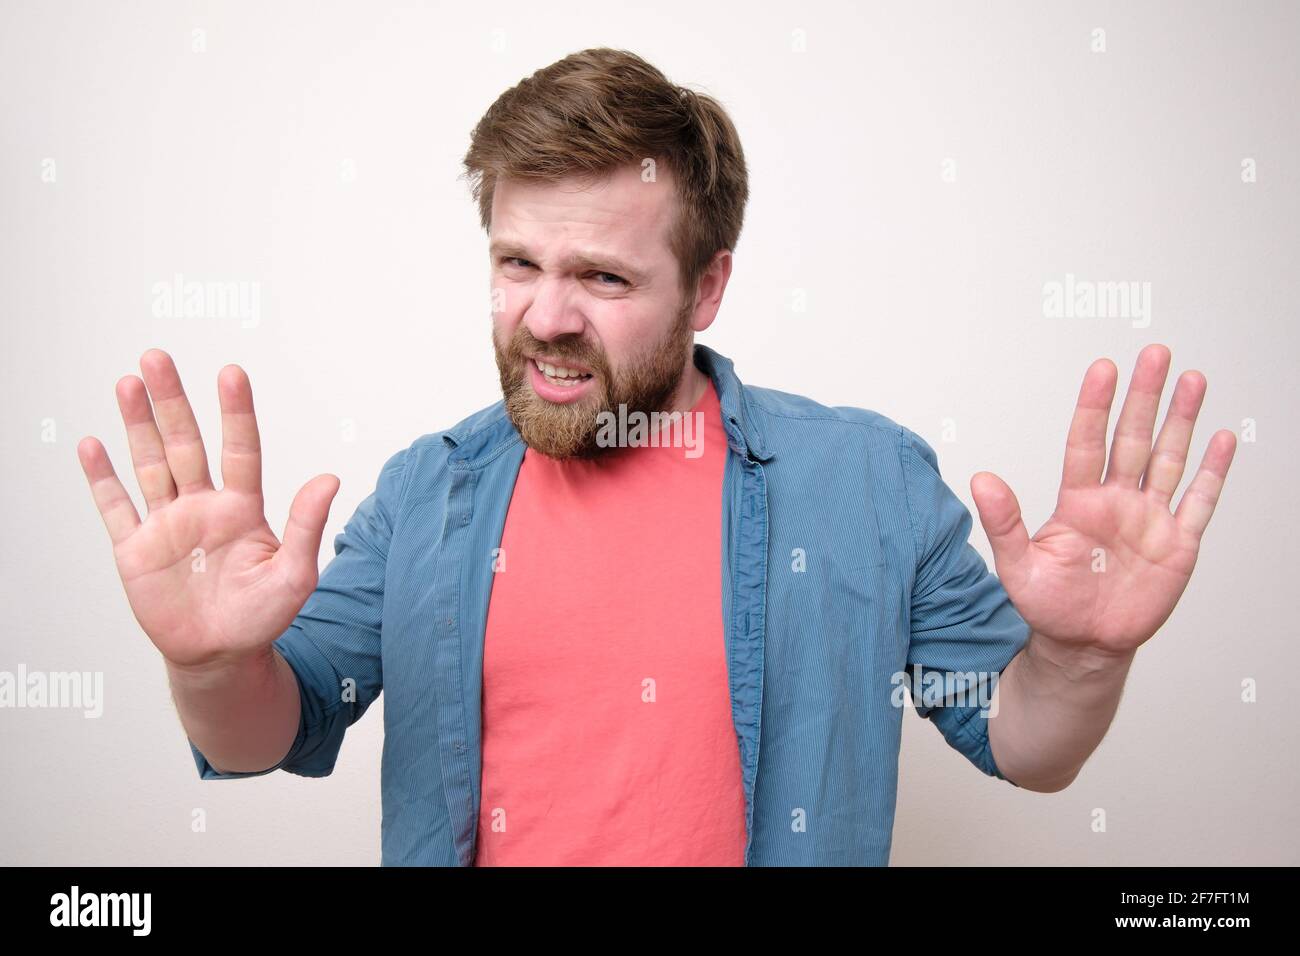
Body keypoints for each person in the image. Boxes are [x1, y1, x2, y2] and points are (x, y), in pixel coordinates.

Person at [76, 48, 1236, 866]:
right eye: (519, 262)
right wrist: (210, 666)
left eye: (604, 277)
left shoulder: (866, 486)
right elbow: (273, 725)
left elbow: (1019, 742)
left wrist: (1078, 658)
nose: (546, 316)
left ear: (708, 284)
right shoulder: (427, 493)